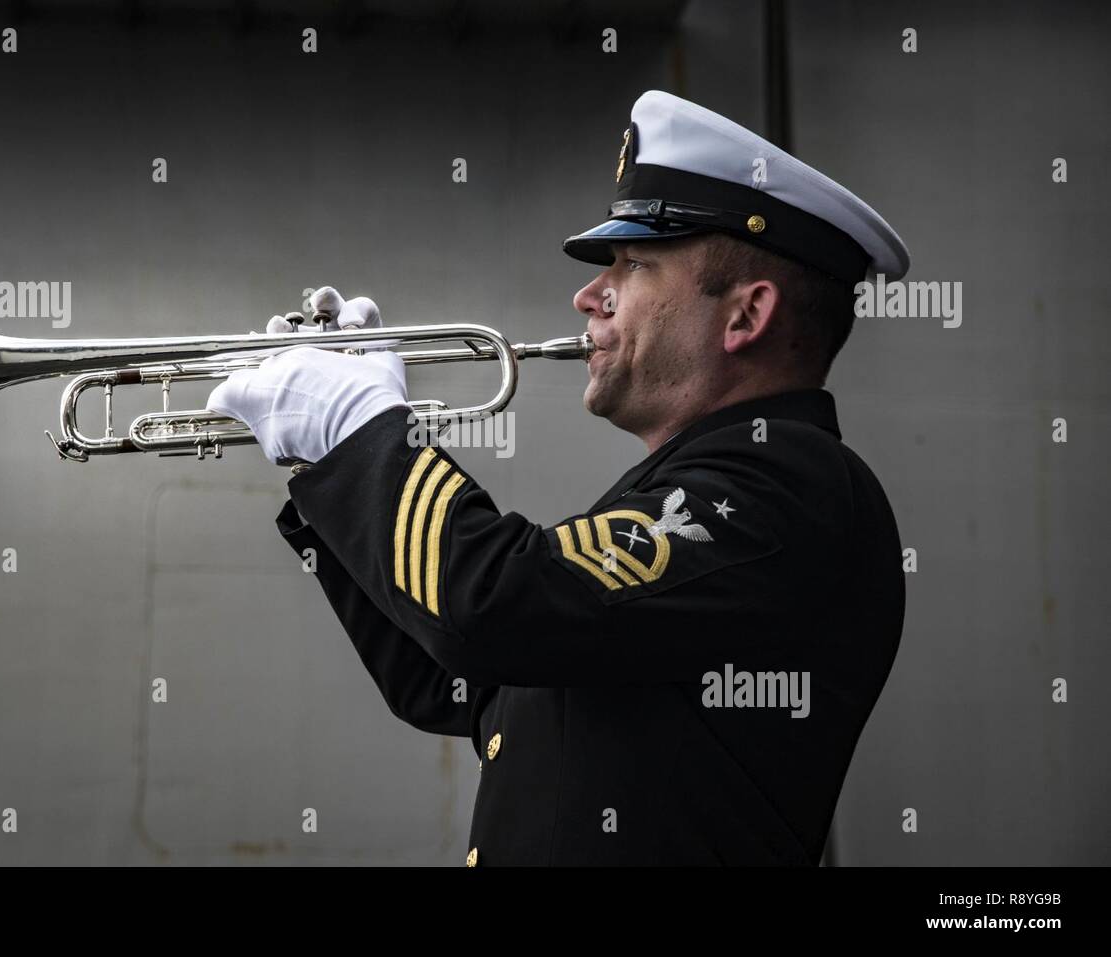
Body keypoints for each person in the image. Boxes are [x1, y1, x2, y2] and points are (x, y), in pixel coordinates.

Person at [207, 90, 910, 866]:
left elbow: (498, 608)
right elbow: (457, 683)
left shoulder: (786, 481)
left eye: (634, 264)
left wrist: (365, 437)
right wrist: (328, 460)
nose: (588, 296)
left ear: (746, 315)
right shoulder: (695, 486)